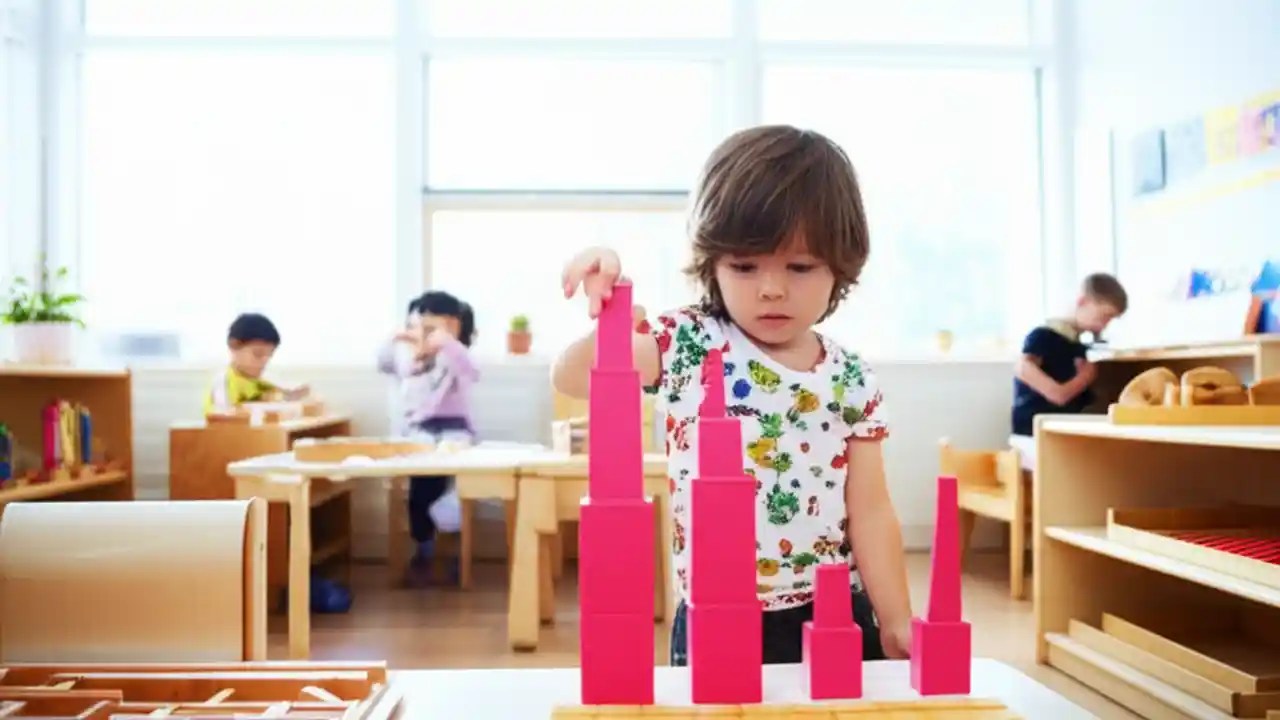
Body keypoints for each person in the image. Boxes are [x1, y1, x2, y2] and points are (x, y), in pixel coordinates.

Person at [552, 125, 913, 665]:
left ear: (840, 266)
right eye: (744, 266)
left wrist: (897, 618)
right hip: (716, 616)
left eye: (800, 266)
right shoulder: (689, 344)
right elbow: (572, 377)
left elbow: (871, 511)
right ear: (713, 263)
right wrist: (609, 315)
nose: (771, 288)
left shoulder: (851, 377)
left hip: (836, 612)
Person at [377, 290, 478, 586]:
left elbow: (471, 371)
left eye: (432, 328)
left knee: (458, 484)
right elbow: (383, 363)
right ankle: (425, 548)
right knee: (421, 486)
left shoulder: (455, 357)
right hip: (420, 433)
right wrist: (396, 338)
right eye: (419, 326)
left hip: (454, 430)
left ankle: (456, 550)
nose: (424, 335)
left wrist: (447, 342)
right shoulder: (410, 361)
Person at [1011, 272, 1128, 440]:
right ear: (1082, 301)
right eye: (1104, 316)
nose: (1105, 324)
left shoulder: (1078, 347)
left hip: (1059, 431)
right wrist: (1084, 378)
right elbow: (1056, 394)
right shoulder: (1043, 337)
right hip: (1034, 434)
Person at [205, 313, 308, 415]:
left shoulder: (265, 381)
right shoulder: (222, 384)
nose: (264, 361)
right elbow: (225, 418)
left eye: (269, 355)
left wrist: (293, 396)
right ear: (234, 346)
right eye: (258, 354)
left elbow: (286, 397)